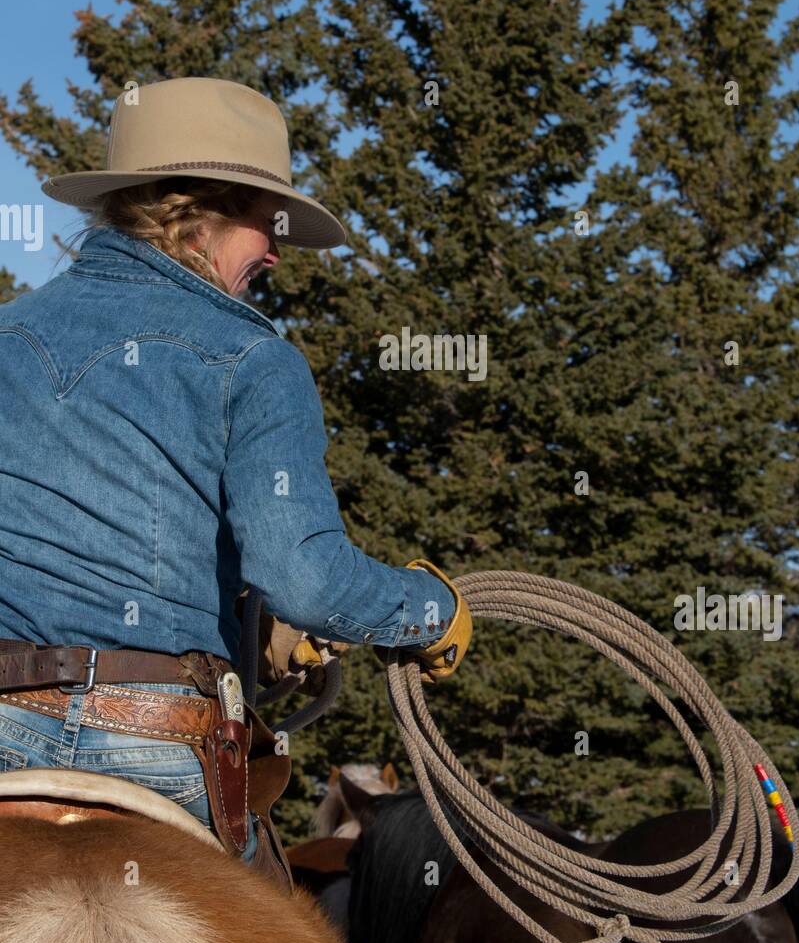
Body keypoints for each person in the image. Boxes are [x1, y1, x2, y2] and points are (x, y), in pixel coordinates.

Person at [0, 76, 472, 881]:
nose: (277, 252)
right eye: (267, 223)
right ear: (196, 213)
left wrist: (249, 625)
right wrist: (430, 610)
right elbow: (310, 581)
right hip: (158, 738)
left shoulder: (9, 337)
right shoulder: (256, 360)